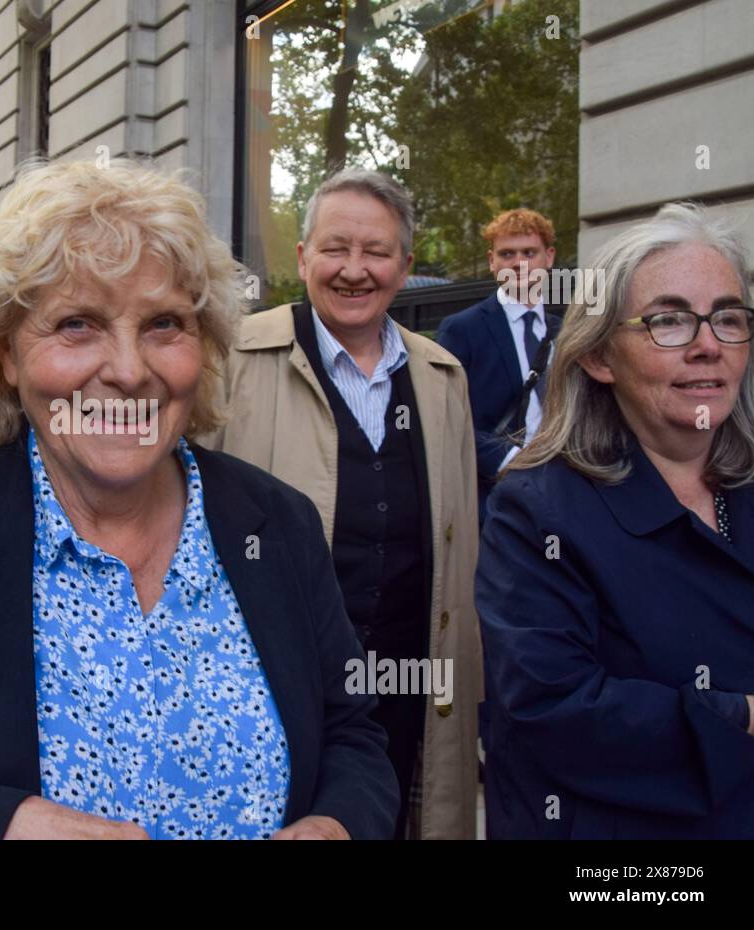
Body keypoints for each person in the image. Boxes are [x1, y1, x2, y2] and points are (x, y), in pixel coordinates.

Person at [0, 159, 399, 840]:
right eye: (76, 324)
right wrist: (5, 824)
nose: (128, 372)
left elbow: (353, 733)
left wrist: (338, 824)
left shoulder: (276, 521)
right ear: (5, 353)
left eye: (162, 324)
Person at [213, 169, 480, 840]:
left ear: (406, 266)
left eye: (377, 252)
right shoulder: (232, 362)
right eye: (335, 248)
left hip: (403, 685)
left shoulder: (445, 378)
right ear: (303, 258)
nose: (354, 270)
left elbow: (460, 547)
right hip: (269, 691)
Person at [477, 203, 754, 839]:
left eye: (729, 319)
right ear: (600, 357)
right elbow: (554, 708)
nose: (708, 345)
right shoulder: (537, 510)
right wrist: (738, 716)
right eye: (669, 321)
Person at [437, 208, 563, 521]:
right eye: (507, 254)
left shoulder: (566, 331)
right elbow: (446, 416)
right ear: (492, 261)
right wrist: (512, 461)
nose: (519, 263)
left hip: (563, 491)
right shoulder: (462, 329)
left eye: (529, 253)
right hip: (493, 497)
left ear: (549, 258)